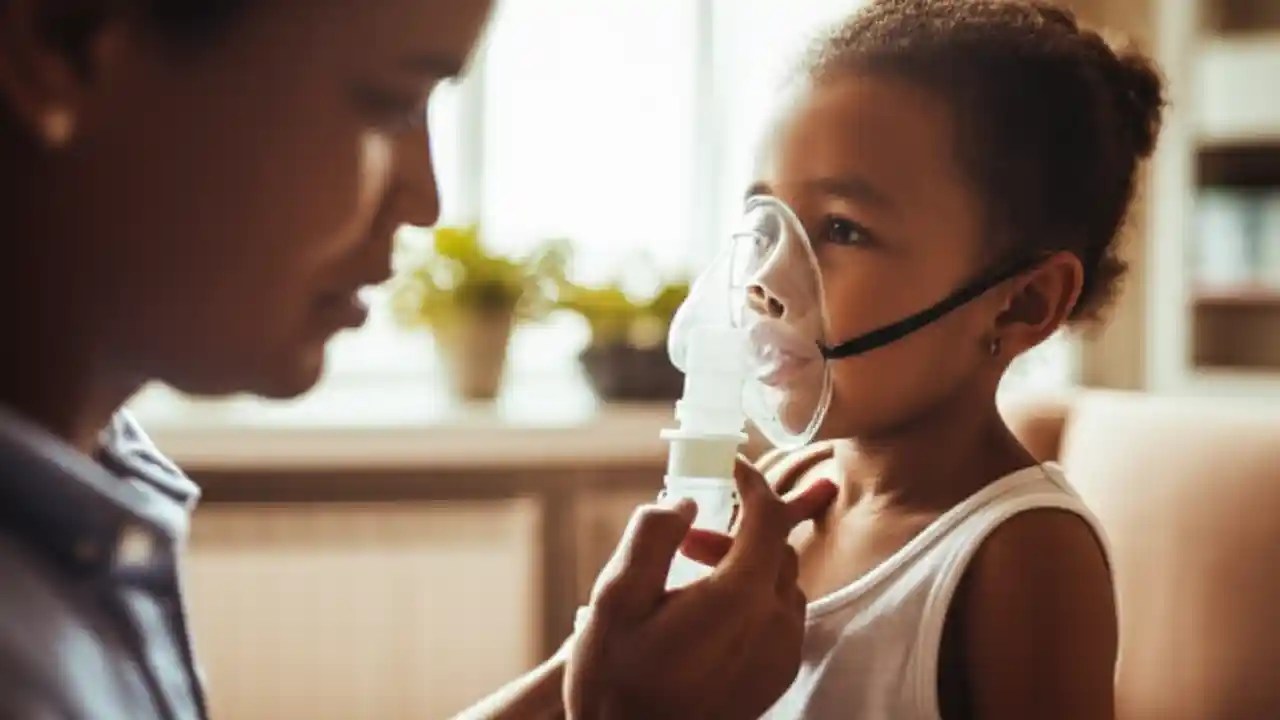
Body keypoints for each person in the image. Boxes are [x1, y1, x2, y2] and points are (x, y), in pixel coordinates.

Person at [0, 0, 837, 718]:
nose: (425, 200)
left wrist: (588, 686)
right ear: (62, 42)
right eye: (387, 105)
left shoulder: (95, 486)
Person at [677, 1, 1164, 717]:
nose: (763, 279)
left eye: (841, 229)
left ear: (1021, 303)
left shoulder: (1024, 555)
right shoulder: (784, 492)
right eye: (765, 220)